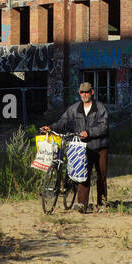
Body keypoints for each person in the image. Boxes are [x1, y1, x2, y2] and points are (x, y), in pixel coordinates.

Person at [40, 82, 108, 213]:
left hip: (100, 146)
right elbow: (62, 121)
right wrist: (51, 127)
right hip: (83, 147)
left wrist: (89, 132)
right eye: (82, 92)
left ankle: (102, 203)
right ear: (79, 93)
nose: (84, 94)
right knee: (82, 174)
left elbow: (103, 126)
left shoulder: (100, 108)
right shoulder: (74, 108)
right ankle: (81, 205)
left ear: (92, 92)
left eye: (87, 92)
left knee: (101, 176)